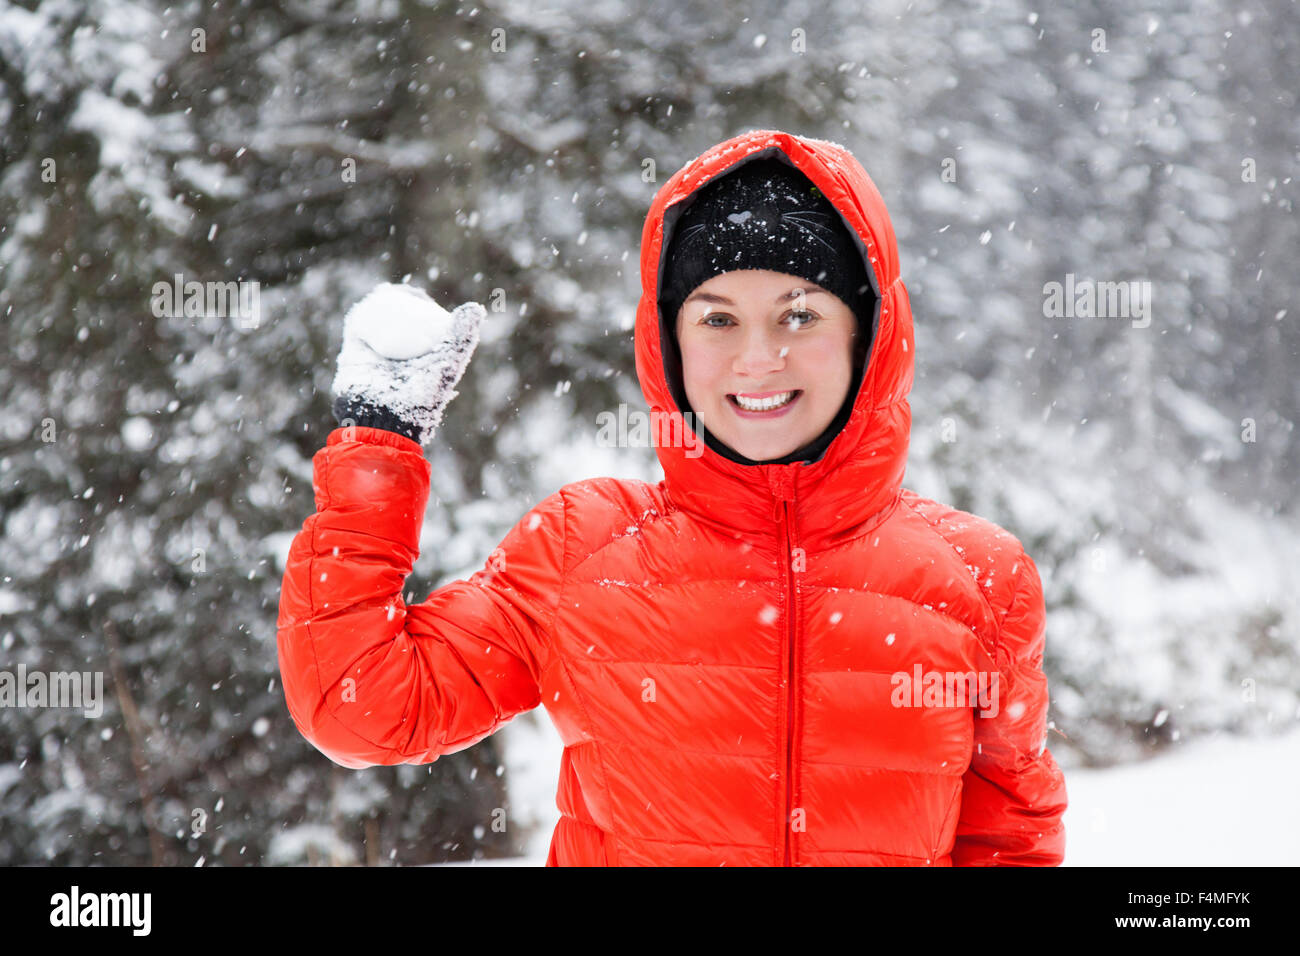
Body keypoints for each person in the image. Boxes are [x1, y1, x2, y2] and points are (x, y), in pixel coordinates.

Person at [276, 128, 1068, 866]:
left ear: (870, 333)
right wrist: (378, 442)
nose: (757, 359)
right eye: (717, 318)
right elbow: (361, 706)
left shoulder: (977, 580)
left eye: (800, 314)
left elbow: (1007, 841)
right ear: (668, 340)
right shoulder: (583, 548)